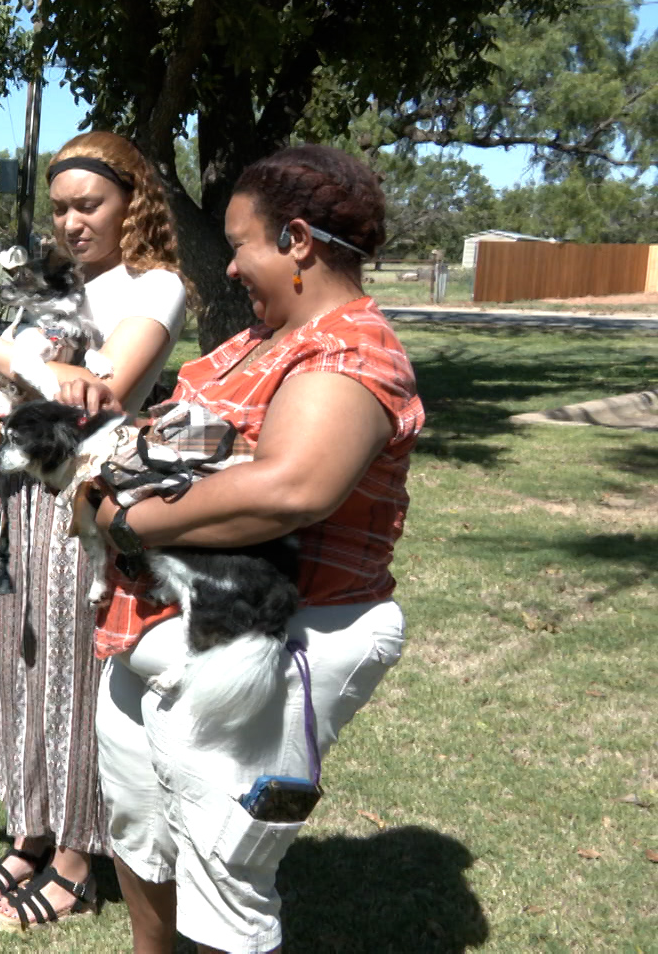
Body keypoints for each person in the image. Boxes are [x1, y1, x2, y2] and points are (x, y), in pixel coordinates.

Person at [88, 145, 421, 954]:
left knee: (222, 867)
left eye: (240, 245)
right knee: (141, 831)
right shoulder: (257, 341)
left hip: (275, 638)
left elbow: (291, 489)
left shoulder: (349, 350)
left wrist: (130, 521)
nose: (231, 267)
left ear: (297, 240)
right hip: (154, 625)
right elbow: (154, 434)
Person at [0, 131, 191, 932]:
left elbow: (100, 400)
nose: (71, 222)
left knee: (73, 677)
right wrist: (7, 395)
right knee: (21, 665)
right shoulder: (51, 288)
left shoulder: (153, 288)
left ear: (132, 203)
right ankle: (30, 832)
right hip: (15, 499)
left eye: (89, 204)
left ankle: (78, 858)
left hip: (82, 507)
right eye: (59, 208)